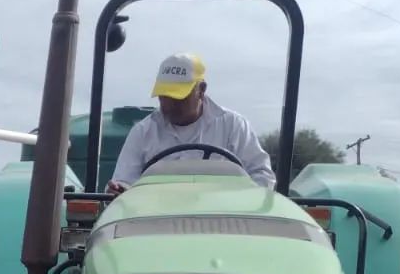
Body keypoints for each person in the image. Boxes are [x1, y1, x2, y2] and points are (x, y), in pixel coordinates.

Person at [107, 53, 275, 195]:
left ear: (201, 90)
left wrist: (240, 200)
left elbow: (261, 175)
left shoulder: (234, 127)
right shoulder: (142, 132)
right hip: (158, 219)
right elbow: (124, 181)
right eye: (164, 96)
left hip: (221, 218)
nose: (169, 105)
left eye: (178, 97)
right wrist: (119, 191)